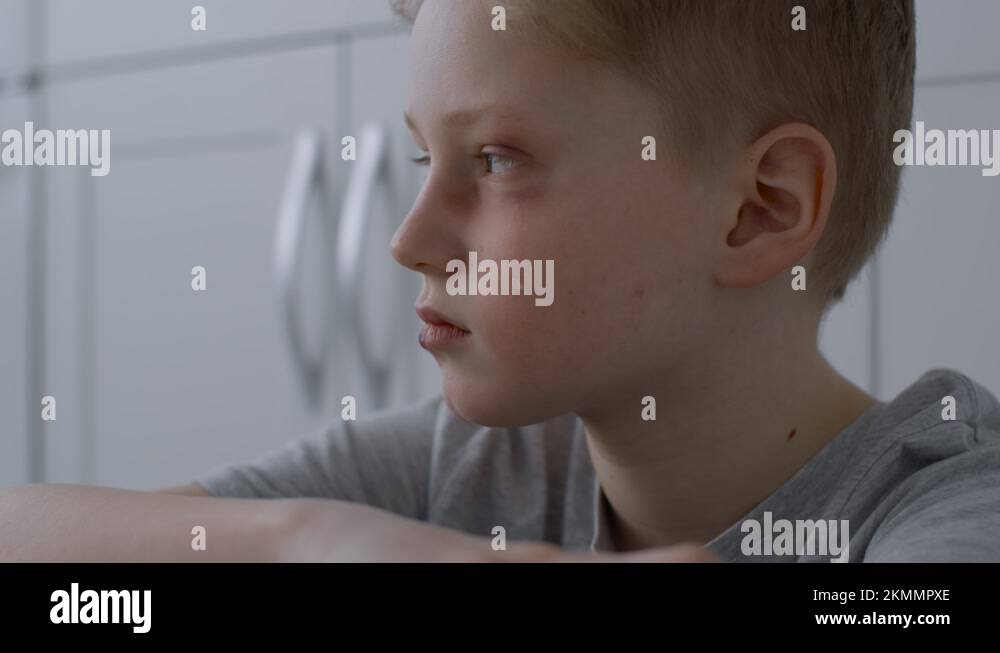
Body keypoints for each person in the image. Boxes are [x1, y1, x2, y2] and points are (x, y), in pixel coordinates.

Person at [3, 0, 998, 563]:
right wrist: (309, 540)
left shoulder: (950, 510)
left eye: (493, 161)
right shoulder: (475, 469)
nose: (407, 238)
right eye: (418, 161)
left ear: (760, 209)